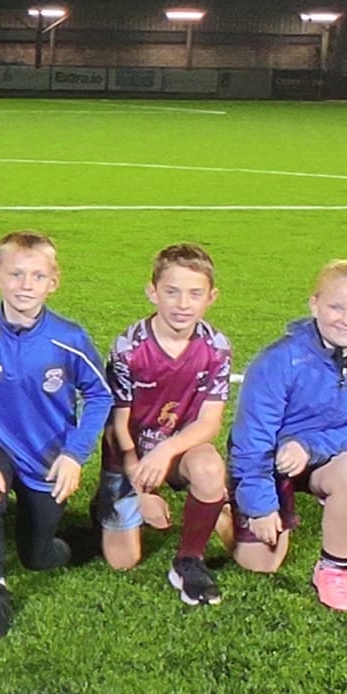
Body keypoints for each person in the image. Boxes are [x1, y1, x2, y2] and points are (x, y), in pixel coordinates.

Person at [0, 231, 113, 637]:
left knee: (38, 556)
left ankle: (89, 533)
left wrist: (74, 454)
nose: (26, 285)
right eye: (16, 274)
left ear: (53, 282)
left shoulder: (69, 338)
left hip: (48, 456)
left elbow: (99, 396)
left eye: (38, 276)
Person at [228, 261, 347, 612]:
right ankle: (227, 506)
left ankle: (333, 570)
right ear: (314, 305)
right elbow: (252, 438)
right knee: (261, 563)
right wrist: (260, 505)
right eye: (336, 307)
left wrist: (311, 446)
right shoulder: (279, 359)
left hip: (322, 458)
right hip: (269, 460)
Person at [92, 243, 234, 606]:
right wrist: (141, 491)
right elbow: (118, 426)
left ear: (211, 297)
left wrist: (167, 450)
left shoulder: (216, 347)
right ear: (152, 292)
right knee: (123, 561)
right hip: (131, 456)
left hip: (180, 451)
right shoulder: (128, 348)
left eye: (195, 294)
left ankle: (189, 559)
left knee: (208, 467)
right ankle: (110, 503)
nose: (183, 303)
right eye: (171, 292)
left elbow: (209, 423)